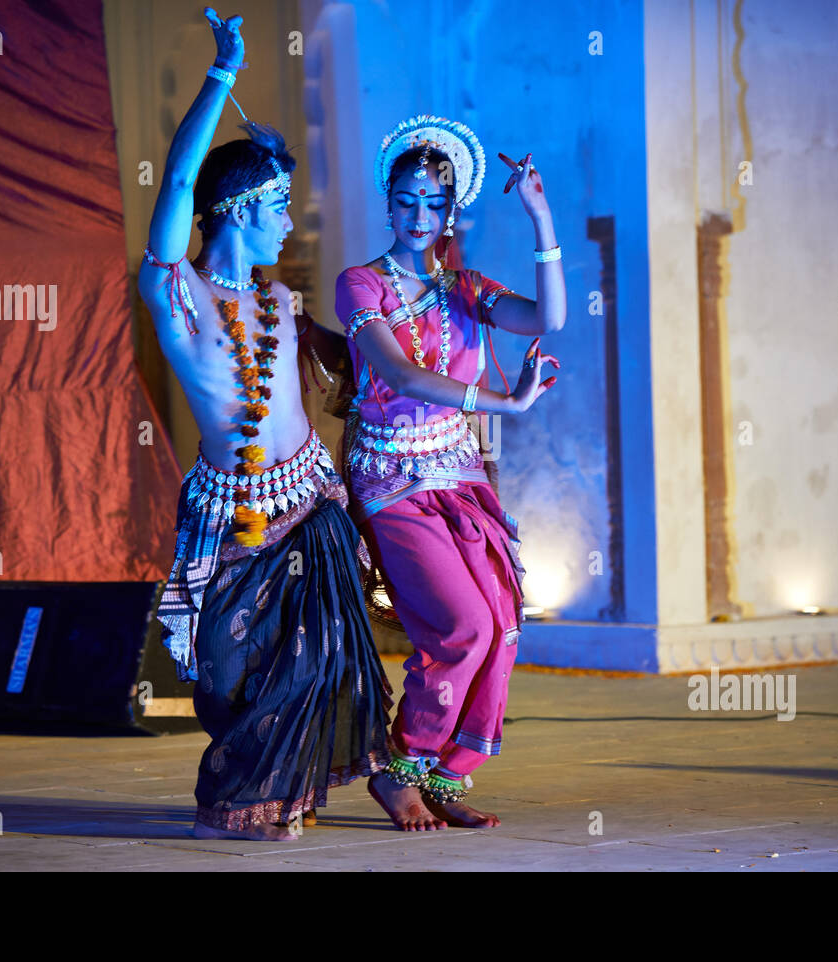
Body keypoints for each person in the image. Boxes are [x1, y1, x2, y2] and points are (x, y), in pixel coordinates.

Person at [140, 9, 391, 842]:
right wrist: (222, 75)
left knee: (319, 657)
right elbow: (178, 190)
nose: (290, 220)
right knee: (235, 669)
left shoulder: (280, 301)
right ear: (240, 207)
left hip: (310, 499)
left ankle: (293, 793)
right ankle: (243, 793)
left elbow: (357, 365)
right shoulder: (181, 300)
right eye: (279, 203)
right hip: (233, 512)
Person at [335, 115, 565, 831]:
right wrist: (503, 401)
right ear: (388, 201)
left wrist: (539, 215)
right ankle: (398, 770)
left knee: (502, 623)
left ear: (451, 210)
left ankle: (441, 776)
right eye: (406, 201)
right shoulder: (361, 285)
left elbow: (547, 317)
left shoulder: (465, 287)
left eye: (434, 205)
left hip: (457, 477)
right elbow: (399, 373)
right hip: (392, 480)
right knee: (463, 624)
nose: (419, 216)